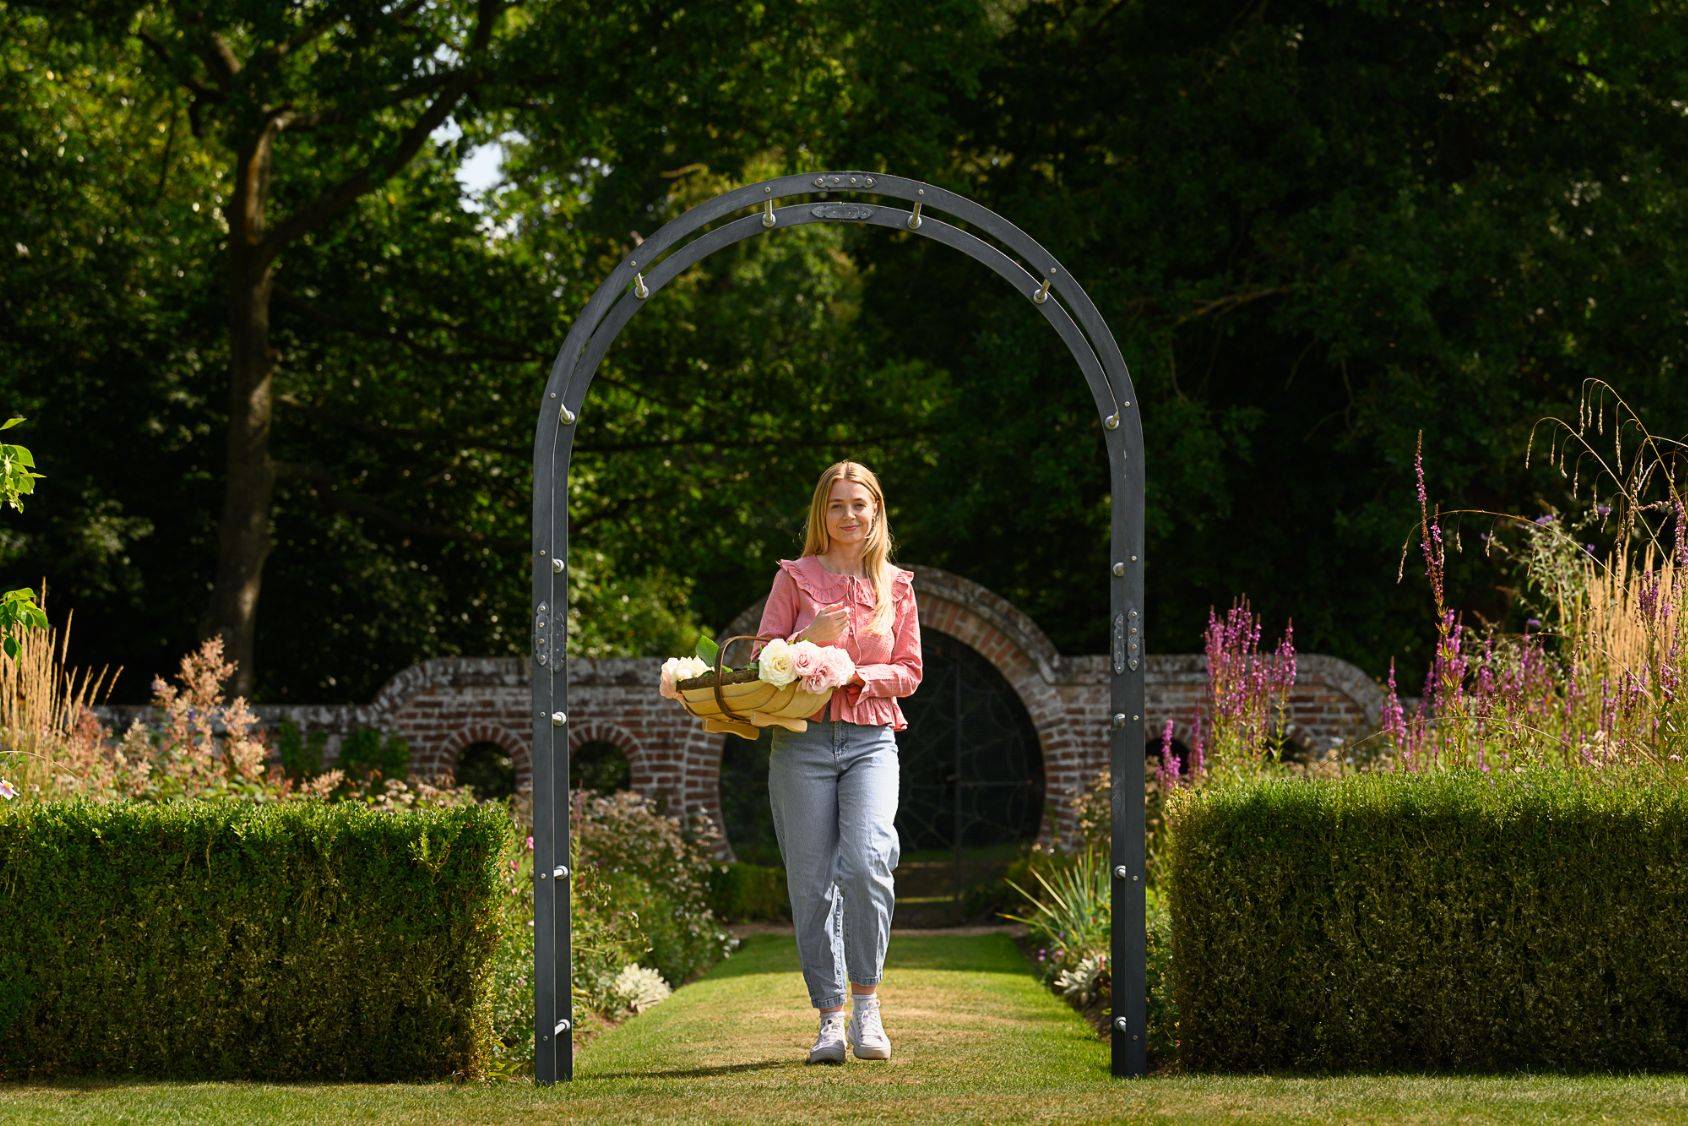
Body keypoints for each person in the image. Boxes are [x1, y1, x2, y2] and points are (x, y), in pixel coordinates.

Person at [751, 459, 923, 1065]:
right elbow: (760, 658)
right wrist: (808, 638)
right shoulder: (794, 578)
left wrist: (858, 673)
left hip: (872, 741)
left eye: (859, 504)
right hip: (800, 743)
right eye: (836, 505)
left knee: (871, 860)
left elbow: (909, 672)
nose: (848, 515)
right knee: (811, 880)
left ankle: (868, 1006)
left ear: (876, 510)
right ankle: (829, 1017)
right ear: (820, 514)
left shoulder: (896, 586)